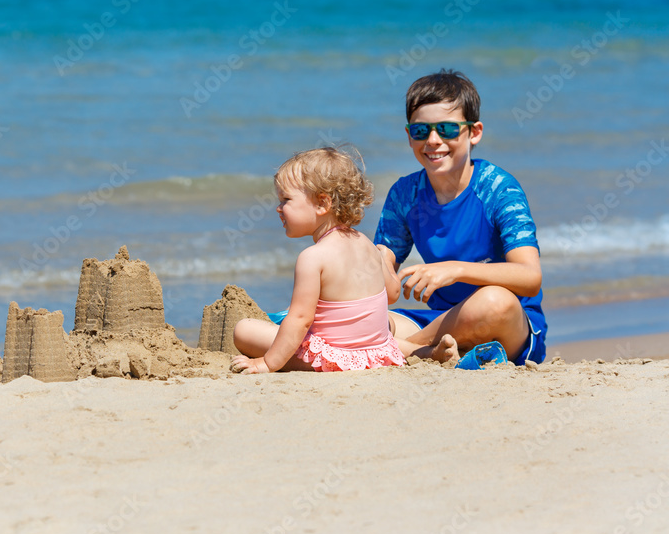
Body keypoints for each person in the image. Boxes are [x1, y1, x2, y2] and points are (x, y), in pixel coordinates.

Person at [374, 69, 547, 365]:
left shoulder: (498, 188)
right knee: (370, 319)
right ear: (409, 136)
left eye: (448, 130)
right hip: (437, 323)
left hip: (507, 325)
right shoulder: (405, 193)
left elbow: (530, 277)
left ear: (474, 132)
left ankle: (404, 351)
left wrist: (455, 269)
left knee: (495, 302)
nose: (432, 140)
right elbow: (382, 264)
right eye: (420, 131)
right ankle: (420, 348)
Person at [231, 147, 456, 375]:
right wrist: (384, 259)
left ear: (322, 204)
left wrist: (267, 363)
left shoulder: (312, 257)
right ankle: (425, 353)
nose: (278, 208)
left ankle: (292, 363)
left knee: (244, 330)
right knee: (386, 341)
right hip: (376, 352)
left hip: (337, 357)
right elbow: (392, 294)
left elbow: (300, 320)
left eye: (286, 199)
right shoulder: (367, 244)